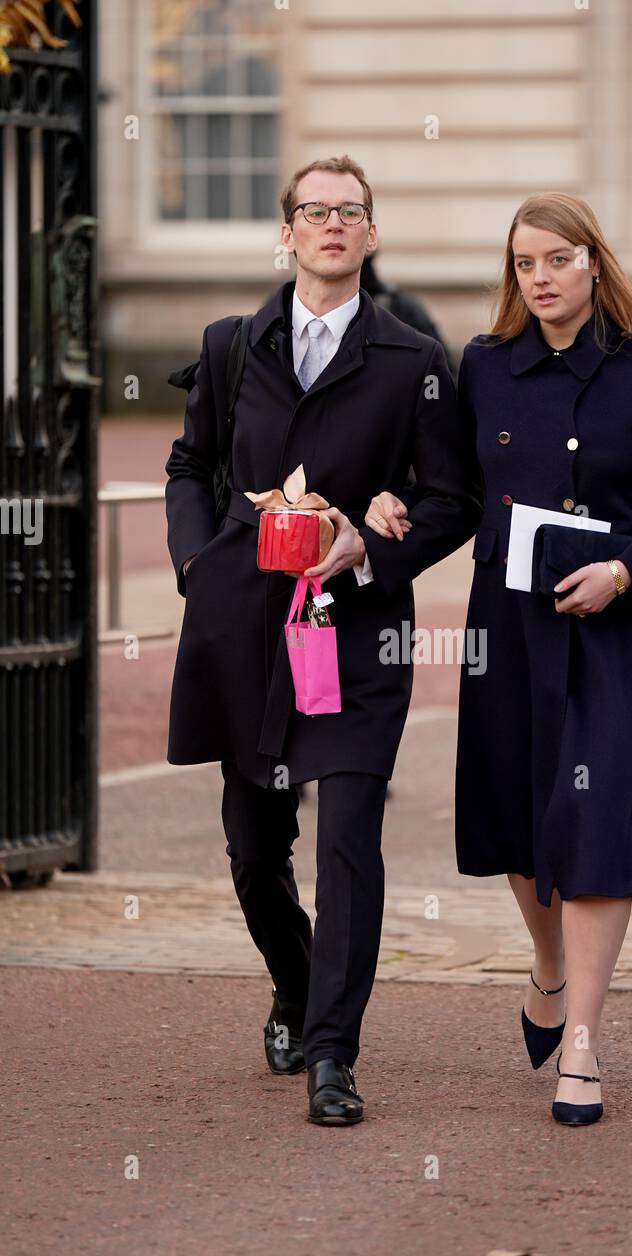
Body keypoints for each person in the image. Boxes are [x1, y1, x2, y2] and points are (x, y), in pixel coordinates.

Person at [365, 192, 632, 1128]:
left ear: (593, 263)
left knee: (599, 823)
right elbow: (454, 491)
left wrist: (624, 571)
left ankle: (585, 1046)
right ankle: (549, 963)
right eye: (526, 264)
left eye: (558, 260)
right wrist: (390, 515)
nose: (542, 278)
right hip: (508, 623)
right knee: (519, 819)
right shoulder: (482, 366)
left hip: (614, 628)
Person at [164, 155, 482, 1126]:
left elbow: (453, 500)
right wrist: (197, 565)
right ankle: (295, 987)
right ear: (288, 232)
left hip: (358, 641)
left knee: (347, 843)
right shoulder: (231, 345)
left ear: (371, 235)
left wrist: (369, 547)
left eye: (351, 211)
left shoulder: (414, 362)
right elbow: (188, 465)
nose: (333, 224)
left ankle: (333, 1053)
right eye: (315, 211)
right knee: (257, 850)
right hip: (247, 632)